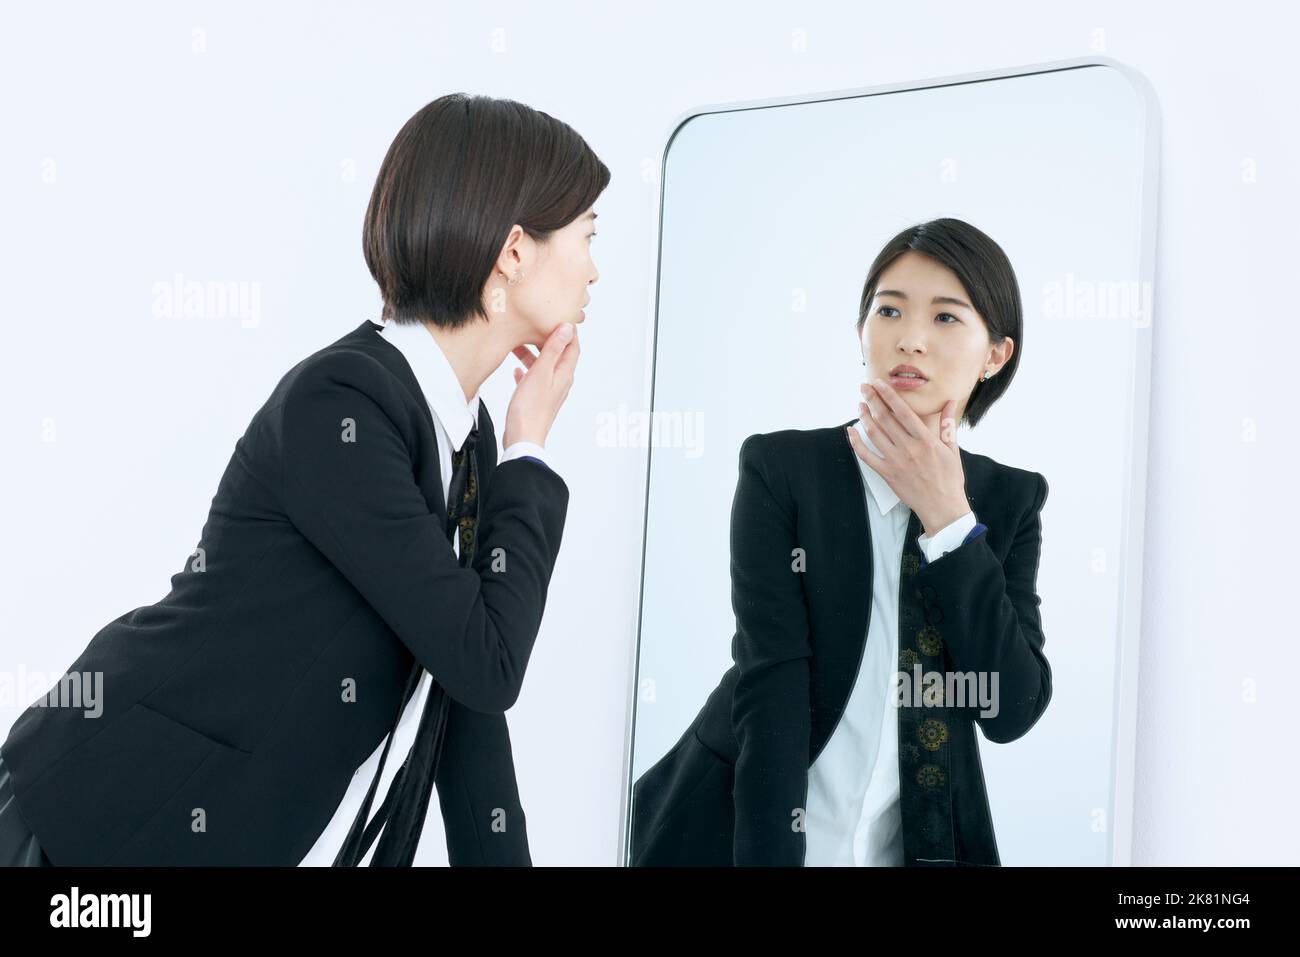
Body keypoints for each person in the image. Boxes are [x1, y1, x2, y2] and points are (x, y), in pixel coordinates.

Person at [0, 92, 605, 866]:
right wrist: (531, 450)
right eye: (588, 234)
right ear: (514, 252)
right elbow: (486, 658)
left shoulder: (467, 442)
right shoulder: (344, 403)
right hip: (92, 820)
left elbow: (468, 714)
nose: (595, 268)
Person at [631, 218, 1051, 866]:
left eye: (946, 318)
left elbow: (1010, 708)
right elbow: (772, 687)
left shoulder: (1009, 501)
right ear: (861, 332)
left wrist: (948, 518)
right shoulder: (783, 470)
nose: (910, 338)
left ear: (996, 354)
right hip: (736, 831)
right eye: (889, 310)